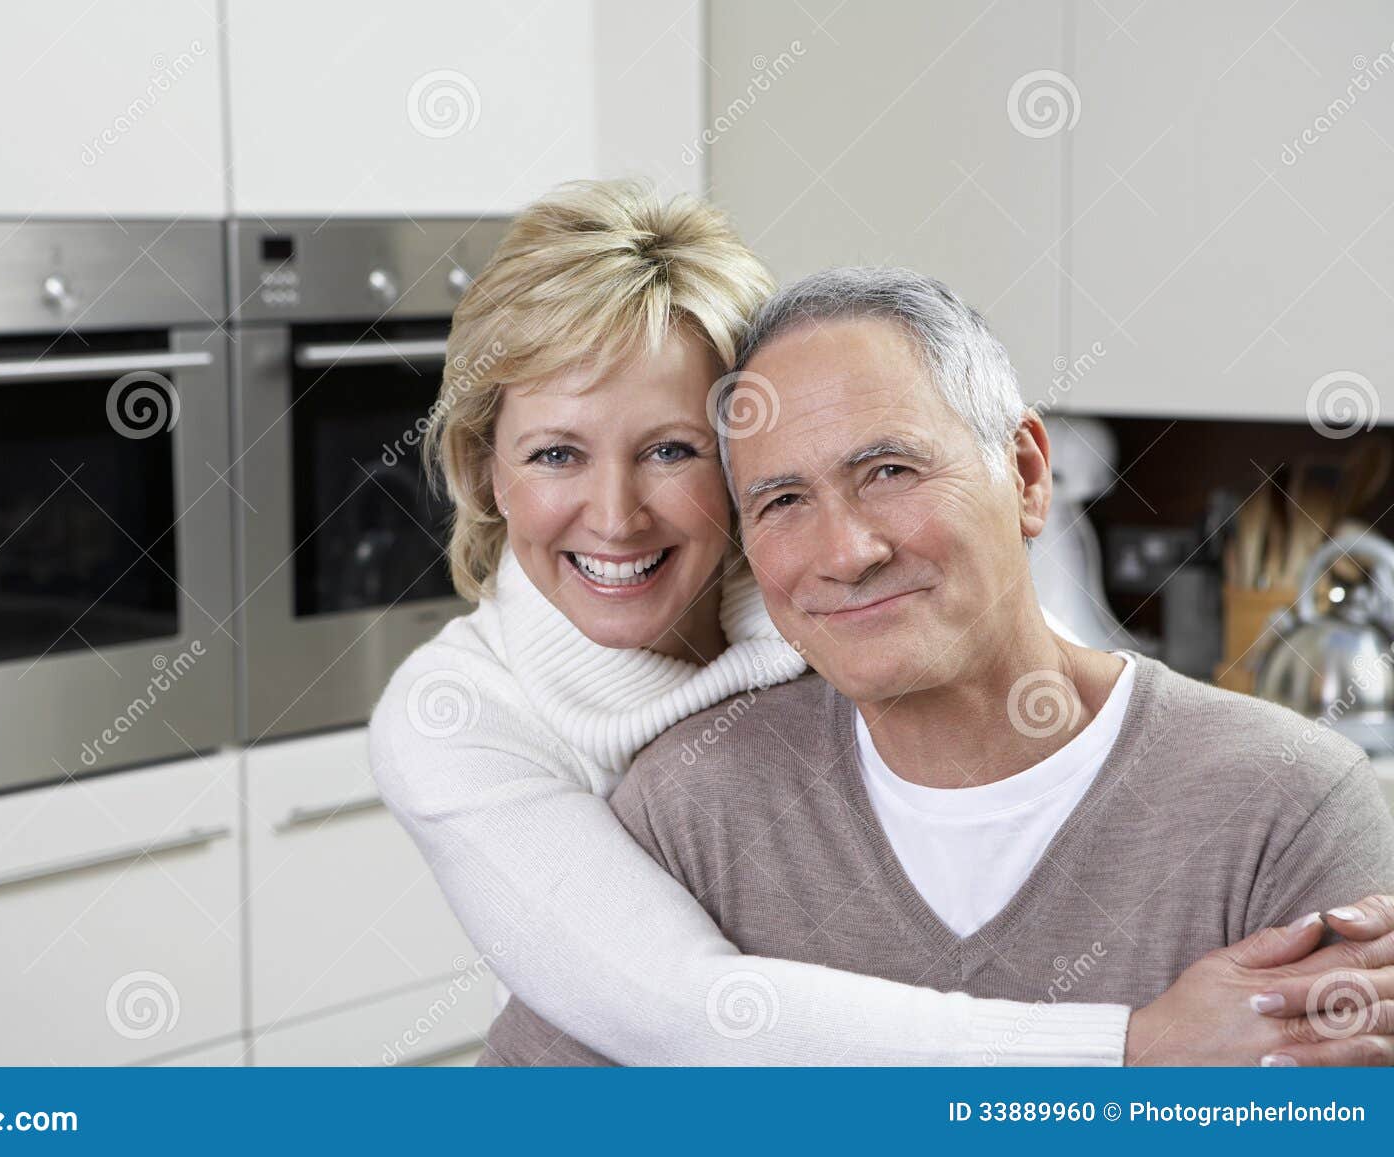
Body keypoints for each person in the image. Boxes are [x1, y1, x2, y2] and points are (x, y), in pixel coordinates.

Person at [369, 181, 1391, 1064]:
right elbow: (680, 1015)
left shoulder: (1283, 805)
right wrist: (1131, 1050)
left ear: (1026, 472)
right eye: (555, 452)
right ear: (483, 471)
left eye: (672, 450)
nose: (615, 516)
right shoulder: (634, 782)